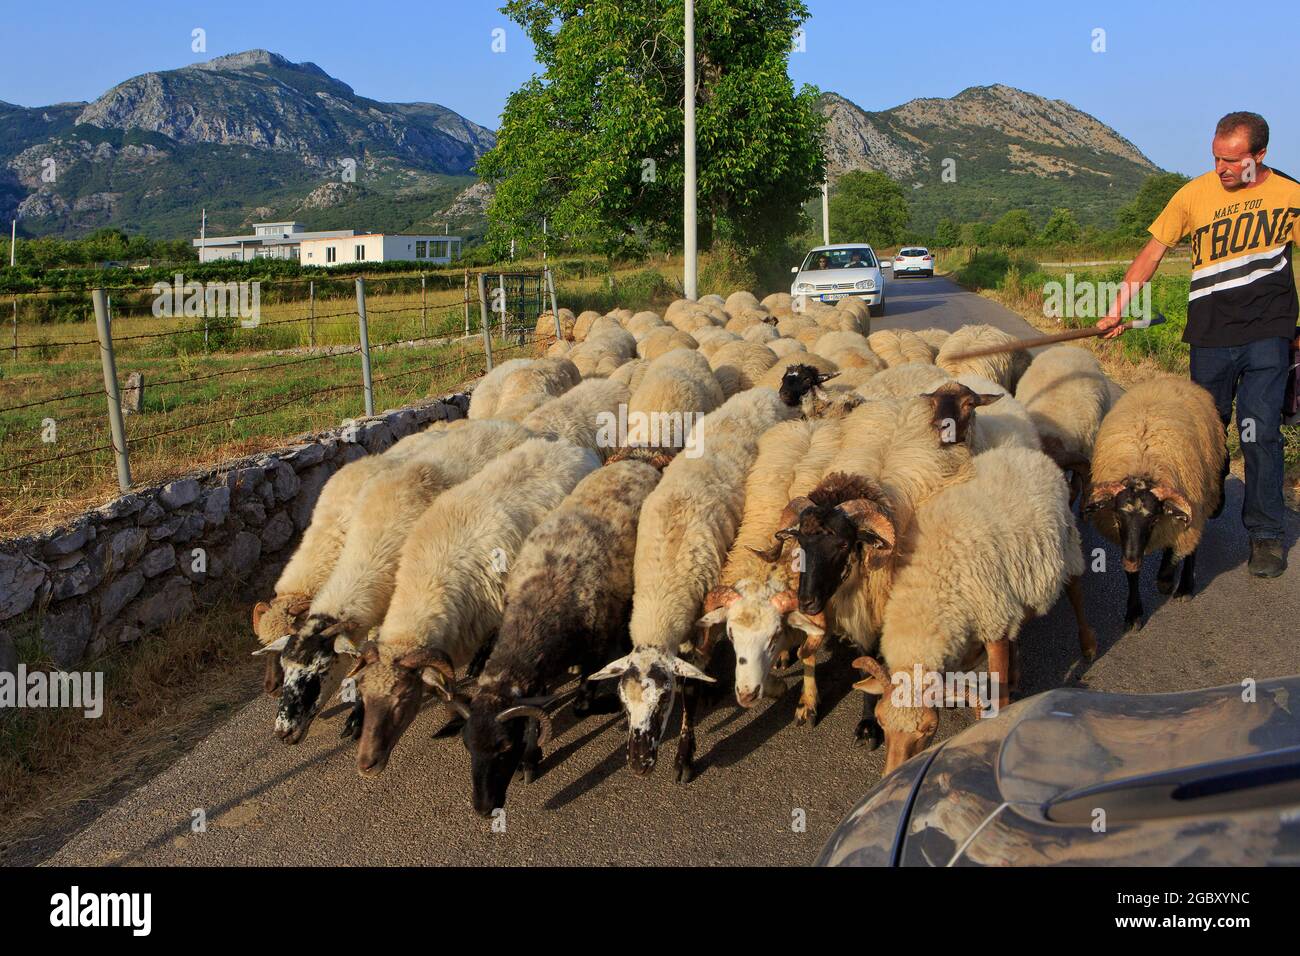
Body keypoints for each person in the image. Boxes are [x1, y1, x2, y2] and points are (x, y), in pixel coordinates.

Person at [1098, 111, 1299, 577]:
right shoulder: (1193, 194)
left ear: (1260, 156)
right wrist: (1119, 307)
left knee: (1262, 431)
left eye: (1231, 160)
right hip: (1210, 335)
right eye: (1215, 158)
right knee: (1208, 430)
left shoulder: (1289, 196)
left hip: (1269, 331)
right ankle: (1210, 493)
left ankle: (1265, 536)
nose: (1221, 168)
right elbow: (1152, 251)